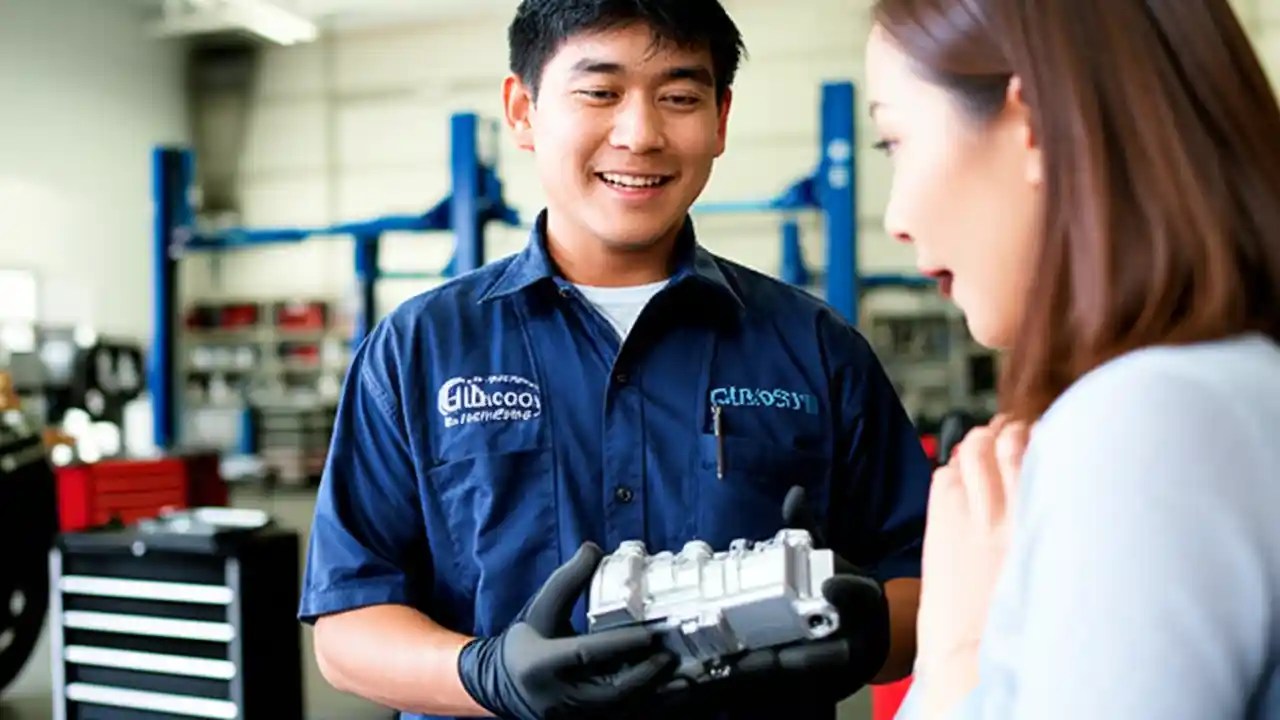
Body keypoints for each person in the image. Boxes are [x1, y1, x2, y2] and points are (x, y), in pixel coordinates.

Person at [298, 1, 934, 719]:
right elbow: (347, 627)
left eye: (679, 98)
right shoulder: (418, 350)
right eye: (599, 92)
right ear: (524, 110)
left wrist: (866, 630)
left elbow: (924, 584)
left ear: (721, 118)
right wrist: (487, 675)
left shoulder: (817, 349)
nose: (640, 134)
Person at [860, 0, 1280, 718]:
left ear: (1033, 125)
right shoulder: (1234, 387)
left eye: (895, 142)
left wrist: (959, 650)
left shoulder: (1148, 421)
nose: (896, 218)